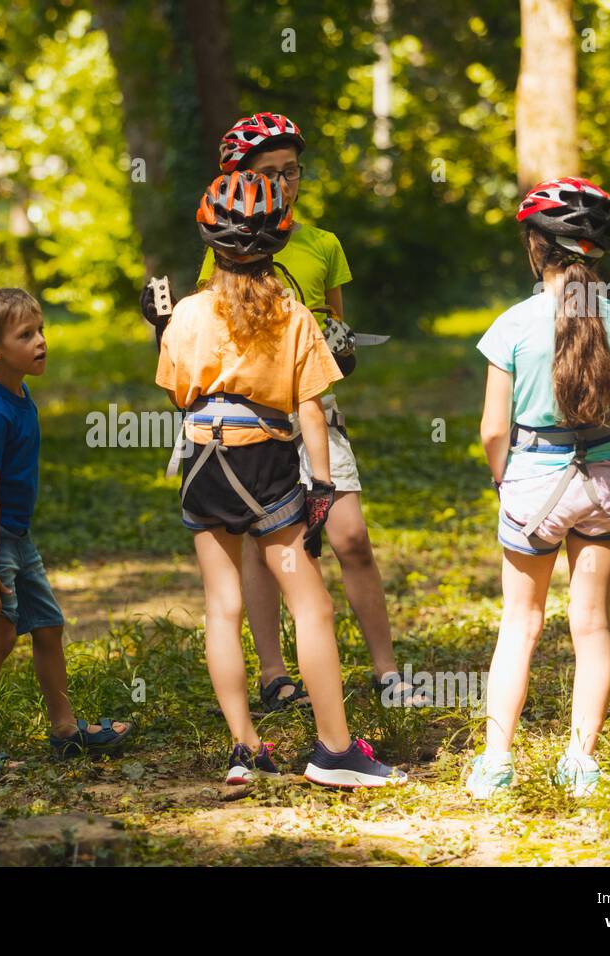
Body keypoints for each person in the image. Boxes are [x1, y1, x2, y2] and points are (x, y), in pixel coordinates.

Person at [143, 112, 411, 713]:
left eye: (292, 172)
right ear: (239, 177)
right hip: (249, 416)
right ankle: (274, 673)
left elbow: (336, 323)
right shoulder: (226, 248)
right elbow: (213, 336)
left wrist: (338, 342)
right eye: (271, 173)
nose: (285, 184)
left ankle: (386, 669)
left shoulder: (321, 245)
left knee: (351, 537)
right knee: (265, 545)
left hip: (311, 402)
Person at [467, 178, 610, 799]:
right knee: (591, 623)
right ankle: (581, 762)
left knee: (521, 622)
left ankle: (495, 762)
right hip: (605, 480)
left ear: (537, 246)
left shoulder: (511, 324)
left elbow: (493, 430)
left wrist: (504, 481)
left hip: (535, 482)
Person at [0, 287, 133, 778]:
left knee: (47, 627)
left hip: (14, 536)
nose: (41, 341)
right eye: (26, 335)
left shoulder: (18, 394)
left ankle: (66, 731)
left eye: (40, 330)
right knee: (1, 634)